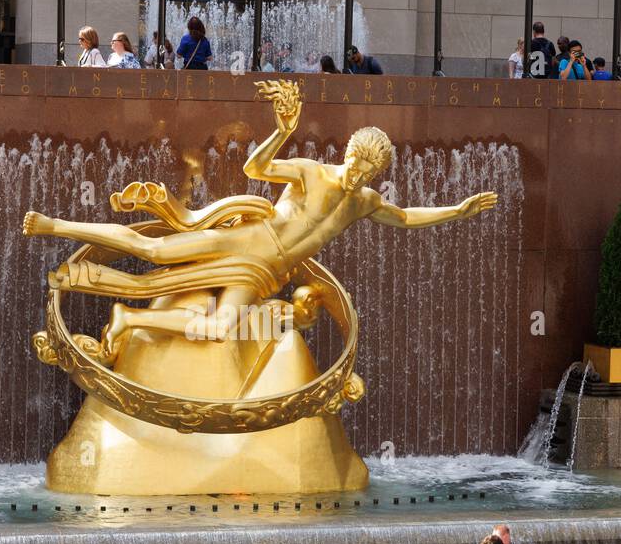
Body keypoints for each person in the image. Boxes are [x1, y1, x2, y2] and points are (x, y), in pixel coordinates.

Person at [25, 83, 497, 364]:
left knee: (217, 328)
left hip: (265, 274)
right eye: (355, 164)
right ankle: (55, 225)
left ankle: (129, 318)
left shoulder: (365, 202)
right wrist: (283, 131)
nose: (356, 175)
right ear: (347, 153)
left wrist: (457, 210)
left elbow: (406, 216)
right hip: (249, 241)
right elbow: (256, 169)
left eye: (367, 173)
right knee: (154, 250)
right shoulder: (312, 172)